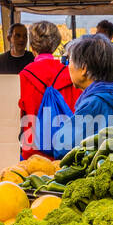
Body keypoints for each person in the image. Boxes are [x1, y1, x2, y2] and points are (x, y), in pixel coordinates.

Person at [19, 21, 81, 159]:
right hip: (66, 154)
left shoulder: (24, 76)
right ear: (56, 44)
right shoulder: (71, 75)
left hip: (33, 156)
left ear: (32, 45)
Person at [68, 34, 113, 146]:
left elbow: (62, 144)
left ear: (84, 68)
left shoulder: (93, 104)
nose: (68, 66)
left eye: (69, 61)